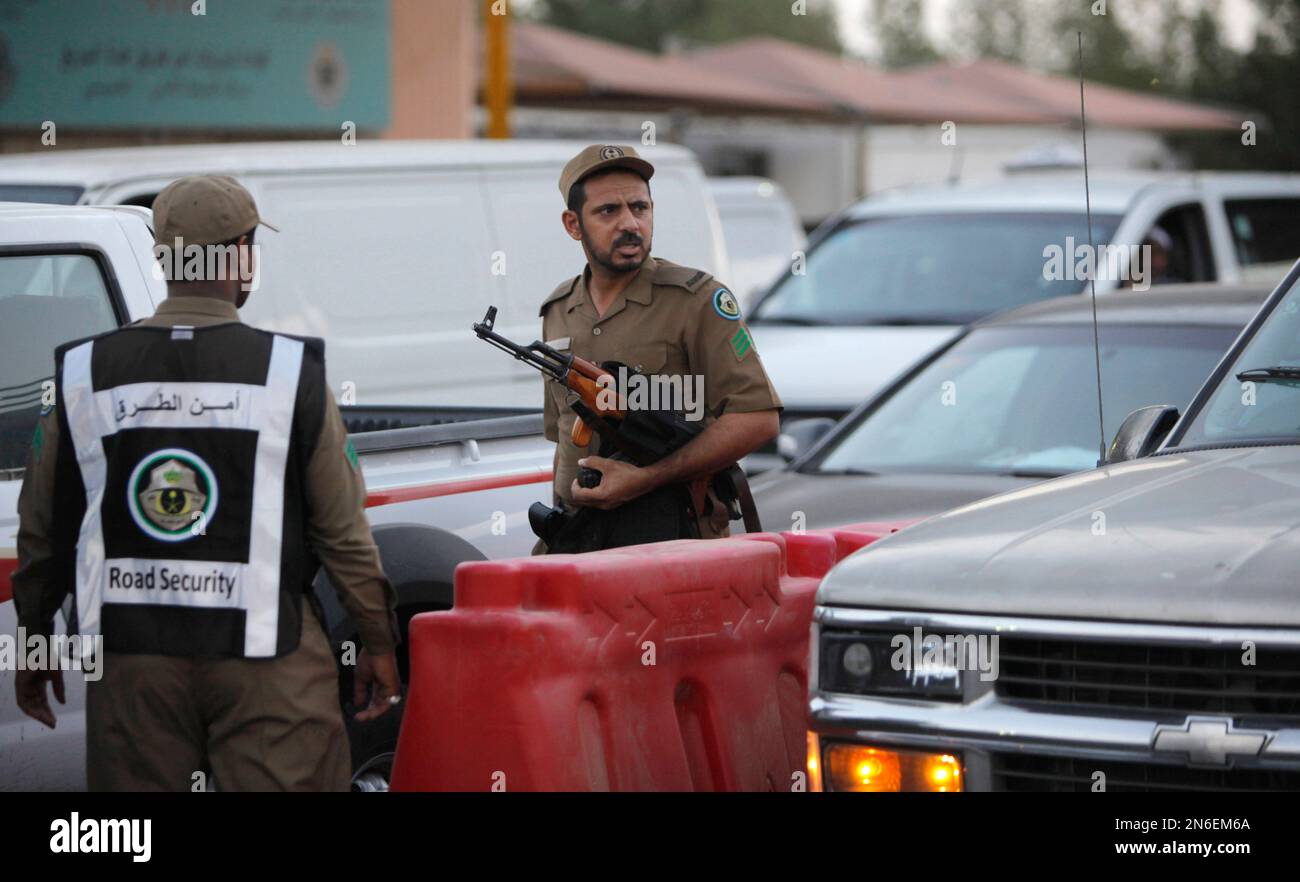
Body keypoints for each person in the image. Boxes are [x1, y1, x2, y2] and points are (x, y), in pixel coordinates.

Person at [12, 175, 401, 791]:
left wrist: (36, 643)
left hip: (134, 668)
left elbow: (43, 530)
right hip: (270, 663)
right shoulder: (288, 370)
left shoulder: (84, 370)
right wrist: (378, 641)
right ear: (240, 254)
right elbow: (344, 535)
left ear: (165, 257)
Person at [536, 144, 782, 551]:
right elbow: (562, 438)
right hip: (575, 541)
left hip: (670, 541)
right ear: (573, 224)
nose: (630, 223)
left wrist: (646, 479)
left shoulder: (696, 301)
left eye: (640, 208)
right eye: (608, 211)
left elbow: (757, 418)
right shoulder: (559, 310)